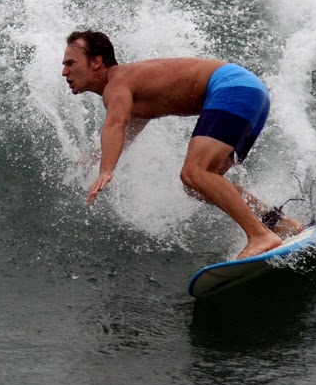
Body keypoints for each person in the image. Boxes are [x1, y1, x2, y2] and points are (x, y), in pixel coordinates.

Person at [62, 30, 301, 259]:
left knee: (193, 173)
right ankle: (278, 223)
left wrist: (106, 170)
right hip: (252, 92)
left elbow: (116, 125)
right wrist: (97, 157)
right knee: (201, 183)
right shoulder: (131, 85)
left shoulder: (116, 84)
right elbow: (127, 130)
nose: (64, 72)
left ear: (96, 62)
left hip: (232, 89)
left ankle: (260, 236)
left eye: (71, 63)